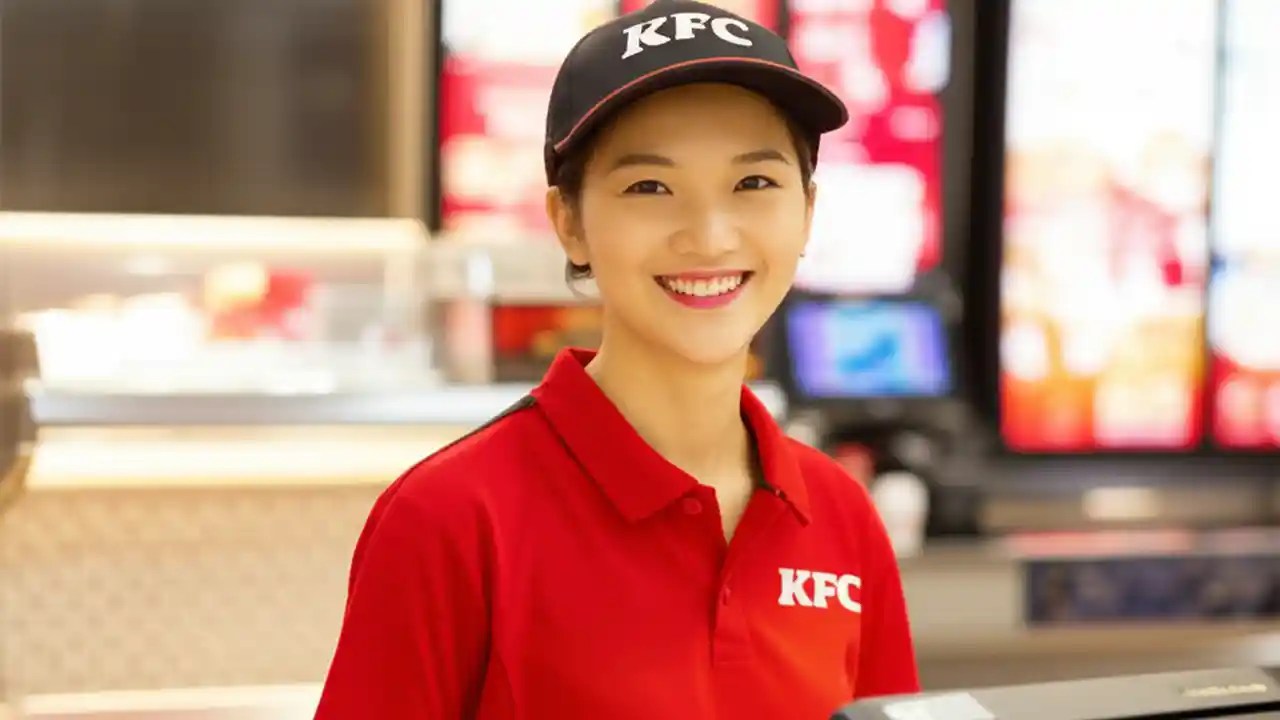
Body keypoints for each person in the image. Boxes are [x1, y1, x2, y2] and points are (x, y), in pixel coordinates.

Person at [314, 1, 919, 717]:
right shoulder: (450, 519)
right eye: (650, 187)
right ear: (569, 222)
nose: (710, 235)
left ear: (808, 213)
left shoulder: (842, 516)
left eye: (754, 183)